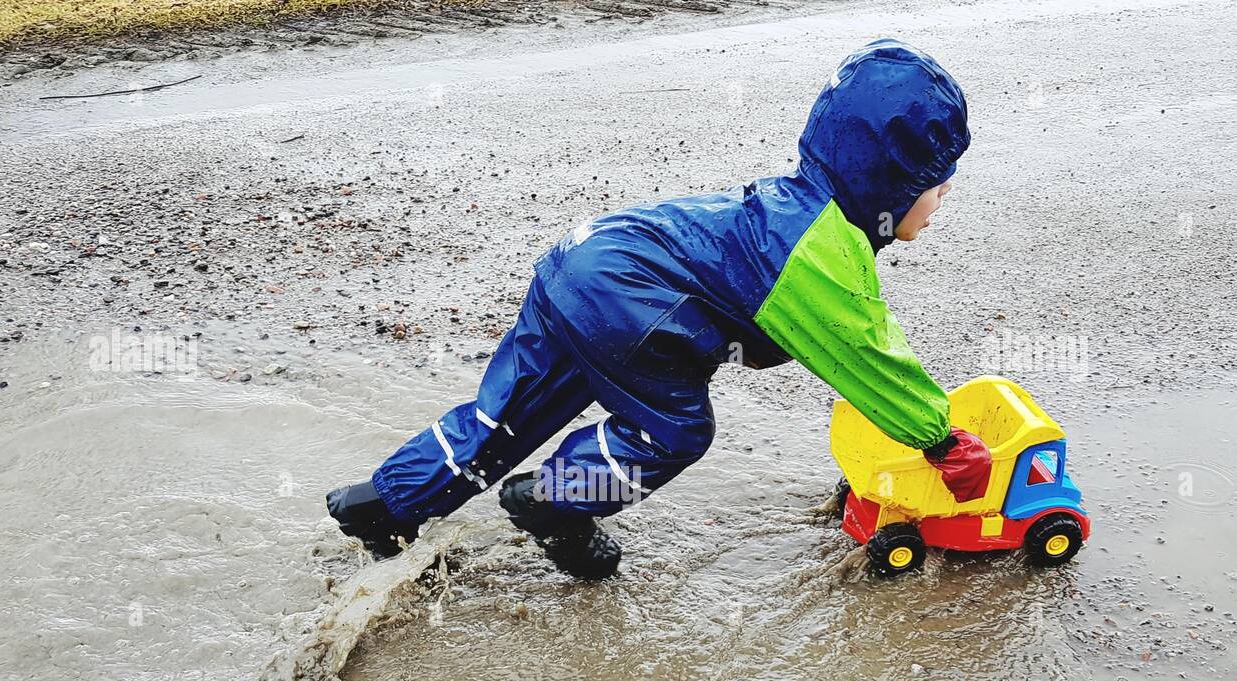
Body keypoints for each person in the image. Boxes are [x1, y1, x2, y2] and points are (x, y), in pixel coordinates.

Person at [326, 39, 992, 580]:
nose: (944, 198)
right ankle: (556, 503)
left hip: (583, 263)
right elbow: (869, 358)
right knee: (674, 430)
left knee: (503, 416)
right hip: (626, 306)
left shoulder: (795, 206)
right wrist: (940, 438)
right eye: (936, 184)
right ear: (890, 182)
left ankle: (382, 503)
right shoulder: (816, 256)